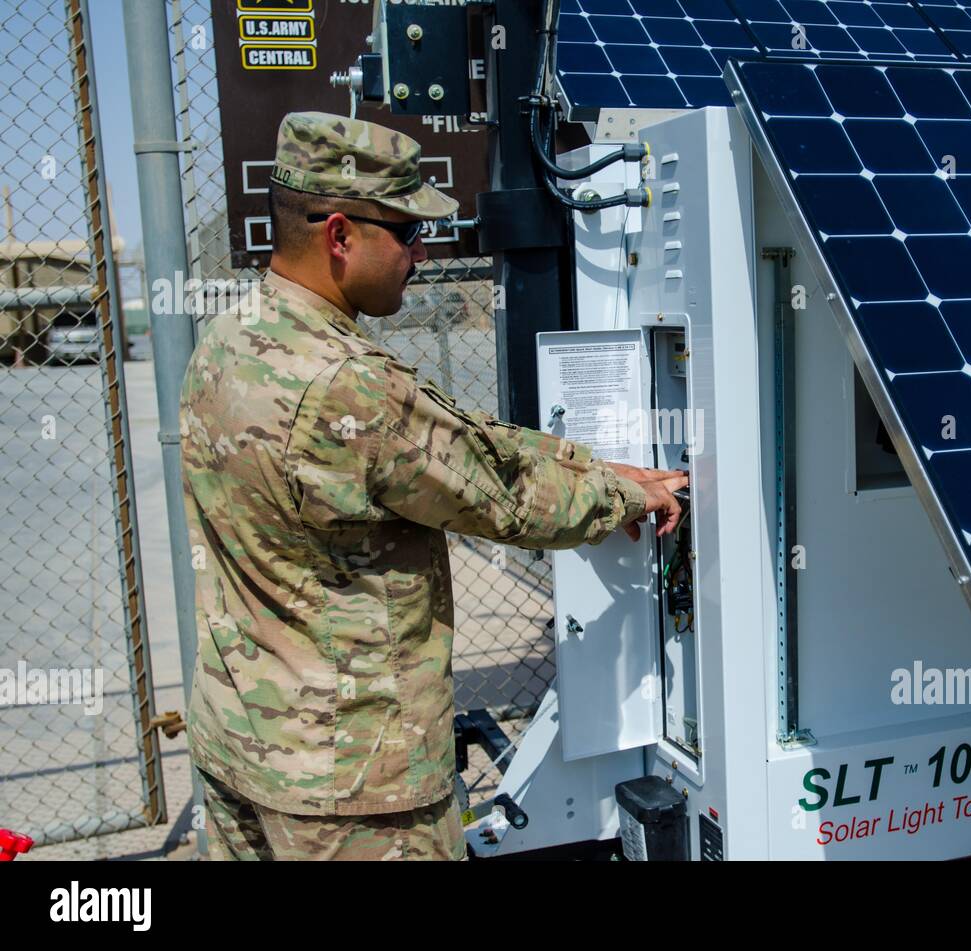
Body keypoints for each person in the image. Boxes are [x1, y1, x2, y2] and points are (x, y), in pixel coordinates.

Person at [178, 111, 686, 860]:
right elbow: (496, 492)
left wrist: (592, 466)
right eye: (407, 232)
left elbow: (450, 443)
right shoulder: (347, 384)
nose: (423, 251)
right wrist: (621, 496)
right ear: (340, 235)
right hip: (351, 790)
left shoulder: (233, 338)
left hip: (240, 741)